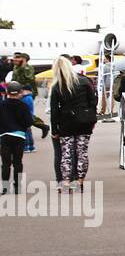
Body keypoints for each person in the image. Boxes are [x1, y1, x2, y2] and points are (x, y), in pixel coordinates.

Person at [49, 55, 97, 192]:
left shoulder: (57, 86)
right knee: (82, 152)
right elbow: (92, 102)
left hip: (66, 122)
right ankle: (79, 181)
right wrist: (92, 118)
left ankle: (66, 182)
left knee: (66, 153)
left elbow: (54, 110)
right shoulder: (84, 81)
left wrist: (54, 130)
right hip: (84, 121)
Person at [1, 82, 34, 195]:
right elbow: (29, 121)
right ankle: (17, 187)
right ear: (20, 92)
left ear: (7, 92)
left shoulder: (2, 104)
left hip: (5, 136)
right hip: (19, 136)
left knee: (5, 163)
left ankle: (5, 188)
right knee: (17, 162)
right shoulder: (23, 105)